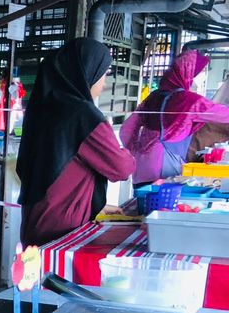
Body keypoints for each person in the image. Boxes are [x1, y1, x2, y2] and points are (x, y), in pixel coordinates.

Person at [16, 39, 135, 247]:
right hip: (63, 228)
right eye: (104, 74)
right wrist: (127, 152)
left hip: (35, 221)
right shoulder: (83, 116)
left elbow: (64, 171)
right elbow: (121, 169)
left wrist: (93, 206)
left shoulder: (42, 108)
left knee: (37, 276)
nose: (104, 83)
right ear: (87, 72)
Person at [121, 50, 229, 184]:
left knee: (143, 199)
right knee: (163, 202)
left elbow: (126, 129)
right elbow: (223, 115)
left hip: (141, 162)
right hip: (165, 163)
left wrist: (135, 149)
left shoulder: (153, 97)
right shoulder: (188, 101)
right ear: (187, 74)